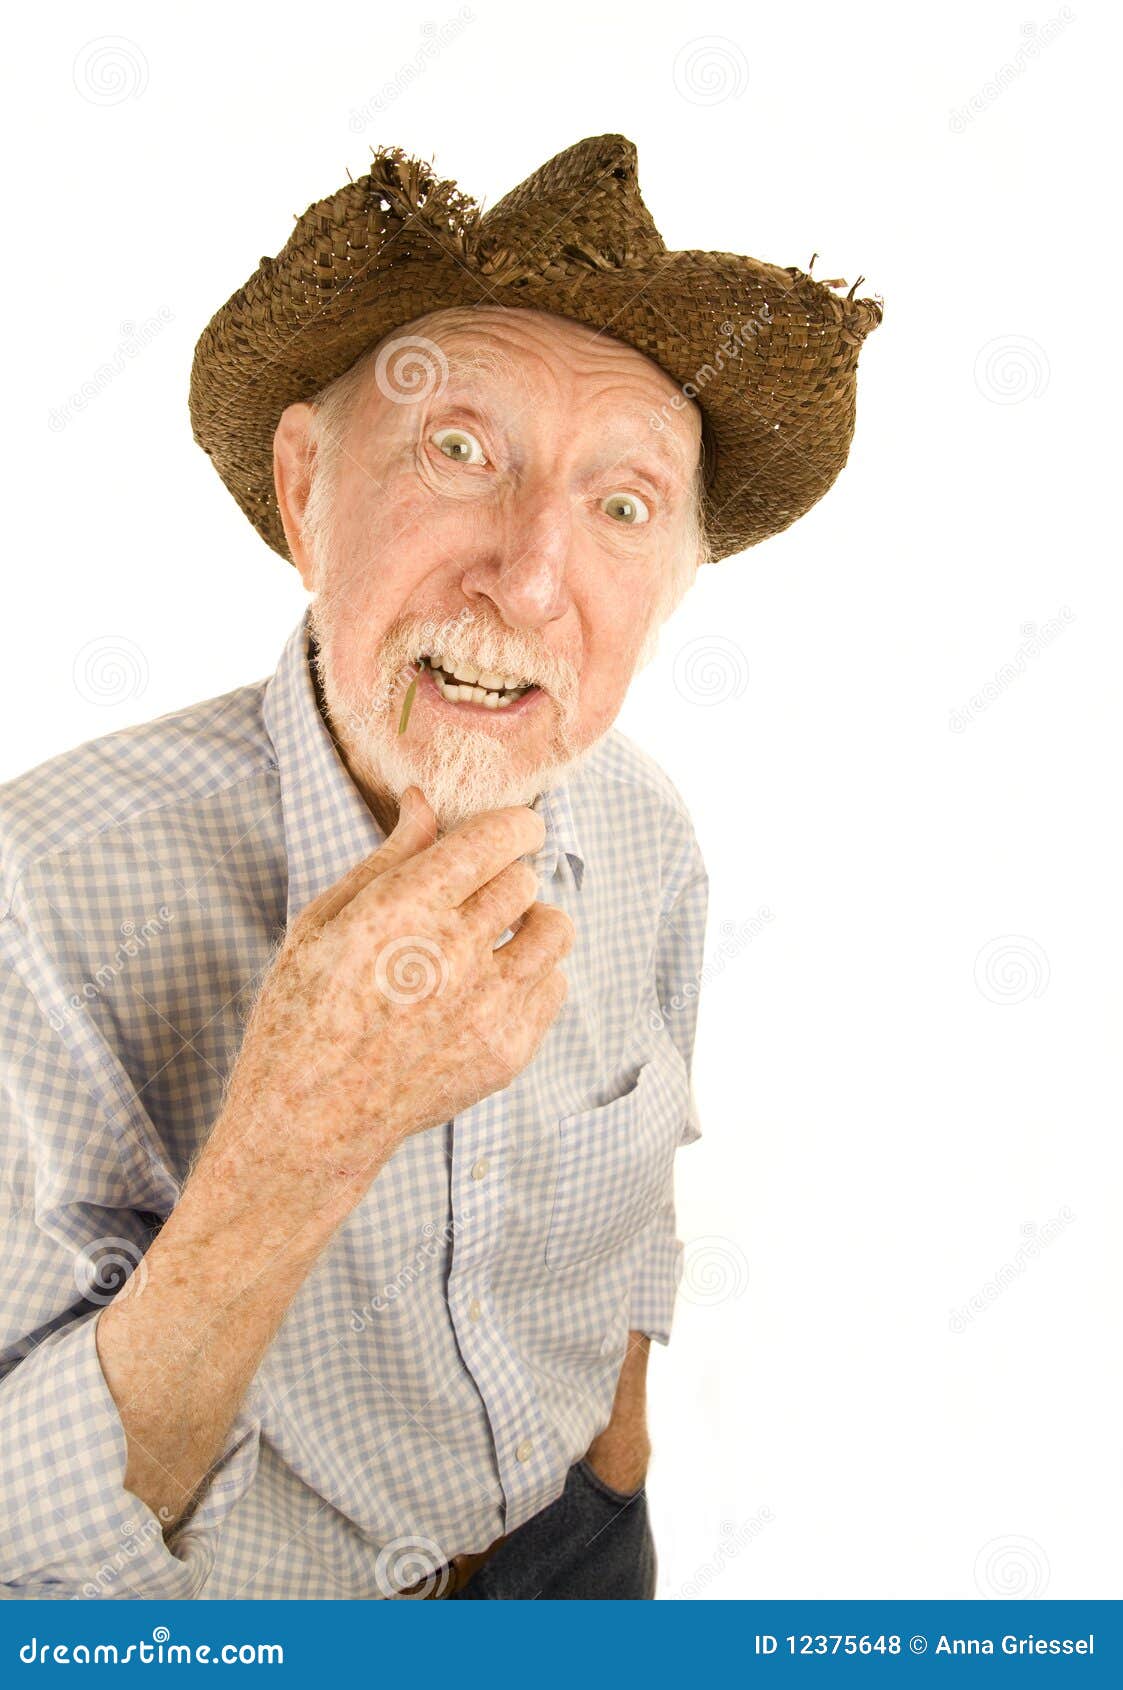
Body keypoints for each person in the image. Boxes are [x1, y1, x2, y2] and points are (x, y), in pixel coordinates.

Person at [0, 133, 880, 1599]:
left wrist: (619, 1473)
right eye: (460, 450)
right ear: (305, 489)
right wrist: (301, 1126)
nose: (532, 578)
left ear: (668, 589)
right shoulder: (37, 895)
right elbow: (26, 1550)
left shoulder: (650, 835)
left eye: (623, 505)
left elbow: (637, 1209)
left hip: (579, 1557)